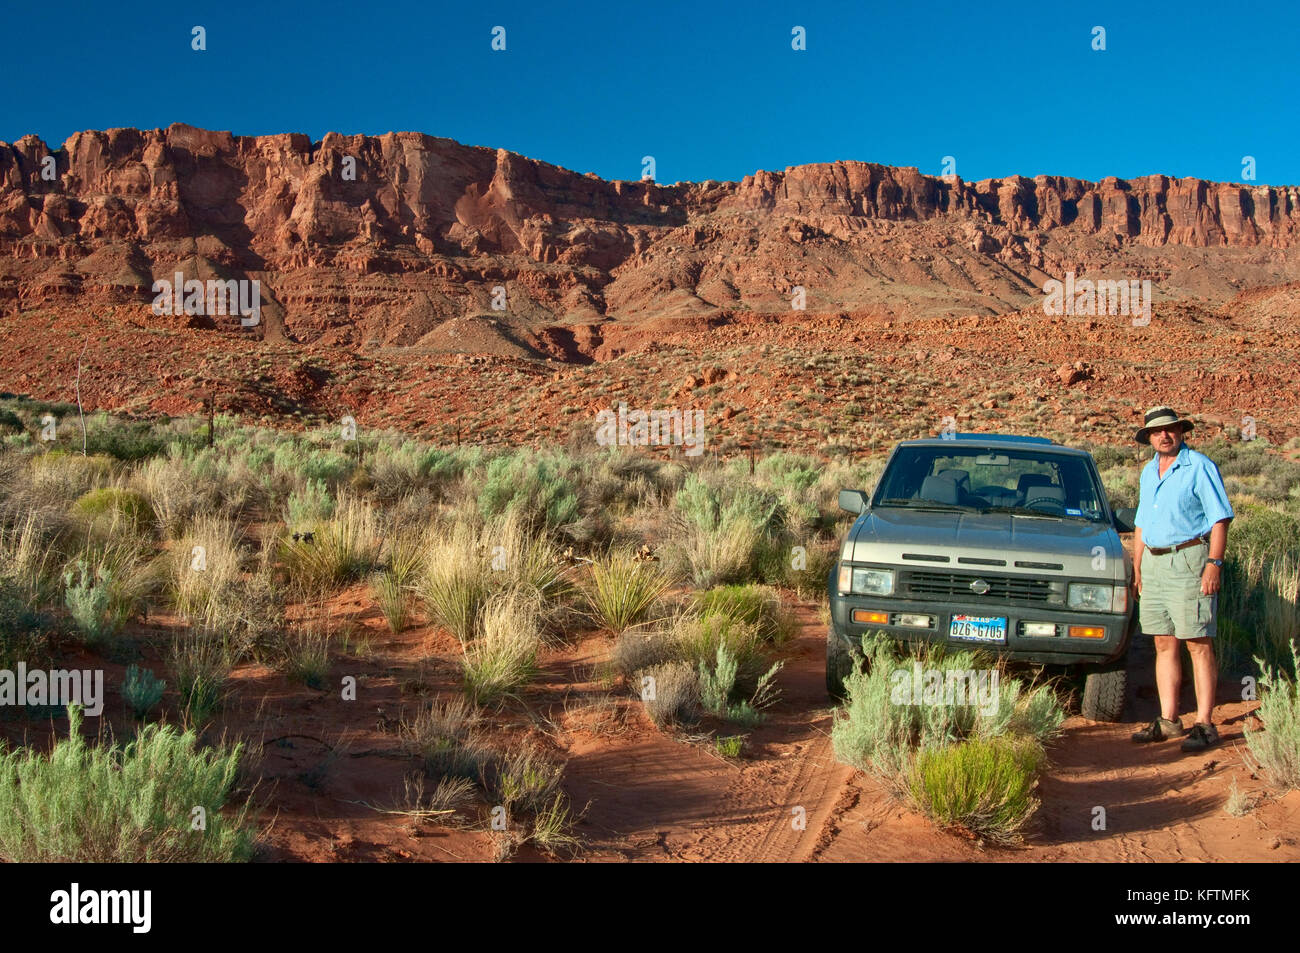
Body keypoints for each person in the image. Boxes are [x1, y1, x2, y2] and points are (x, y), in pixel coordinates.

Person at [1130, 406, 1234, 751]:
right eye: (1157, 431)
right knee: (1163, 642)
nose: (1164, 436)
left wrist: (1214, 563)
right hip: (1154, 563)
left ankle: (1204, 724)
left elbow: (1220, 519)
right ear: (1148, 437)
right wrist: (1138, 568)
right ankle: (1169, 720)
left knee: (1197, 641)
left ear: (1181, 431)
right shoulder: (1148, 471)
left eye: (1170, 429)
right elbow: (1141, 524)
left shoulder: (1199, 466)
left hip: (1189, 560)